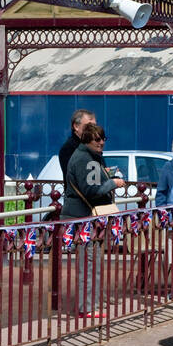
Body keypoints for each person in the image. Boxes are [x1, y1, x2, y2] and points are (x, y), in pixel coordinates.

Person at [62, 123, 127, 318]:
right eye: (97, 139)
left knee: (93, 262)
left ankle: (92, 305)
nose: (101, 143)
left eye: (103, 139)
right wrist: (112, 183)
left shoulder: (90, 157)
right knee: (89, 263)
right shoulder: (85, 159)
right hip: (84, 217)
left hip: (88, 217)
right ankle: (87, 308)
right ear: (87, 140)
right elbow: (91, 190)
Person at [58, 107, 96, 183]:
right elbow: (76, 176)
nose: (94, 129)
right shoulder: (68, 148)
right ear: (76, 126)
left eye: (95, 125)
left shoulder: (91, 145)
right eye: (89, 125)